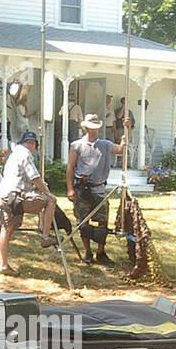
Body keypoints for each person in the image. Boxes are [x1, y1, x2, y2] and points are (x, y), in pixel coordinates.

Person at [67, 112, 130, 265]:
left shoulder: (105, 144)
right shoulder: (76, 145)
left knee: (103, 222)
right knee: (83, 222)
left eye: (95, 127)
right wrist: (70, 188)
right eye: (91, 127)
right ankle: (87, 252)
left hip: (99, 189)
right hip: (82, 188)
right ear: (86, 128)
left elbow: (121, 149)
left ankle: (101, 252)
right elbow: (70, 167)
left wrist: (127, 130)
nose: (93, 130)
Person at [0, 131, 58, 276]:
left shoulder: (14, 154)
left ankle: (3, 265)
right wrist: (47, 191)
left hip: (5, 196)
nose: (30, 144)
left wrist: (39, 186)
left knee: (7, 229)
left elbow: (24, 178)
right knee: (50, 201)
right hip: (16, 197)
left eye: (33, 142)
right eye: (28, 142)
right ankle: (45, 236)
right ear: (23, 143)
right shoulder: (25, 154)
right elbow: (34, 176)